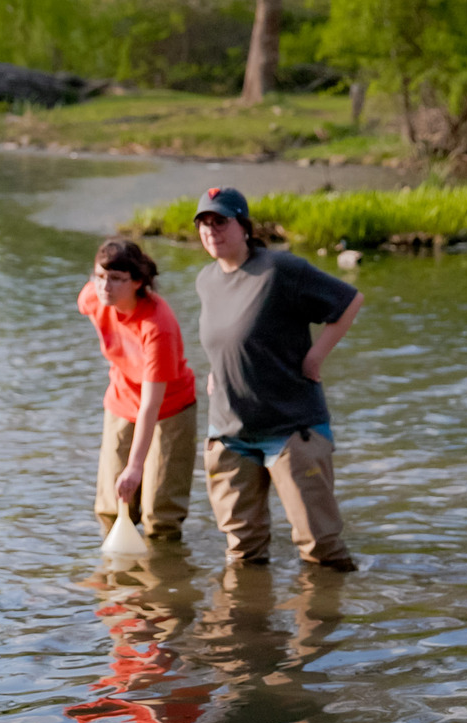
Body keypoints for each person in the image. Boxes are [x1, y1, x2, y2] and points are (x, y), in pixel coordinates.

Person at [193, 187, 364, 571]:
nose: (211, 230)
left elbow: (349, 300)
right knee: (242, 554)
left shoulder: (280, 269)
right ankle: (248, 628)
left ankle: (327, 625)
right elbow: (225, 335)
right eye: (204, 223)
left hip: (291, 429)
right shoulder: (206, 280)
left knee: (321, 550)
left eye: (221, 221)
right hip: (230, 433)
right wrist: (215, 369)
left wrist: (316, 356)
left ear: (244, 226)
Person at [77, 238, 198, 540]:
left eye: (116, 279)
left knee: (160, 515)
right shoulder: (94, 297)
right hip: (121, 401)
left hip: (169, 410)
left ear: (138, 282)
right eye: (100, 276)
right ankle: (115, 578)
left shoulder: (158, 326)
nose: (105, 286)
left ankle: (163, 580)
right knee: (113, 505)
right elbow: (98, 314)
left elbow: (151, 405)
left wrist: (136, 466)